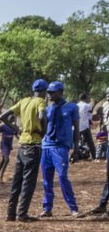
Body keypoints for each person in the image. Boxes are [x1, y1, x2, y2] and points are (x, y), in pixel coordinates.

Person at [2, 79, 49, 222]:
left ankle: (11, 214)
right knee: (29, 182)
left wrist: (16, 128)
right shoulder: (40, 101)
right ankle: (22, 214)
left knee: (17, 181)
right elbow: (42, 116)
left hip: (22, 145)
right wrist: (43, 131)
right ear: (44, 91)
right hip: (34, 146)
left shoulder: (23, 101)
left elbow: (2, 117)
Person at [39, 81, 80, 217]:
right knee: (46, 179)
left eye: (52, 92)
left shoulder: (71, 108)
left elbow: (77, 129)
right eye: (48, 92)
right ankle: (47, 208)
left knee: (62, 176)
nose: (49, 95)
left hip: (61, 147)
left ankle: (73, 207)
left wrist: (76, 148)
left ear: (61, 92)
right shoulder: (47, 109)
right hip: (46, 146)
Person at [76, 92, 95, 160]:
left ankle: (76, 156)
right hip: (84, 127)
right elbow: (89, 118)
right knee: (90, 142)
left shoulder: (76, 105)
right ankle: (94, 156)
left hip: (77, 127)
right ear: (85, 98)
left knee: (77, 142)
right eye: (87, 97)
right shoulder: (87, 106)